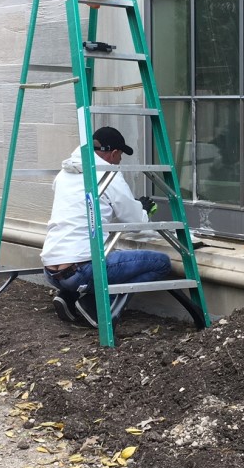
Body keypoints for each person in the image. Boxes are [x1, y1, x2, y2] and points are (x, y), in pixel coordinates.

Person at [41, 126, 171, 327]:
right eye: (120, 157)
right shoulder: (108, 176)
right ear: (113, 153)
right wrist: (143, 209)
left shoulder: (64, 173)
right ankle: (96, 306)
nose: (119, 162)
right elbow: (135, 223)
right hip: (81, 271)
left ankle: (68, 297)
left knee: (98, 251)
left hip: (51, 270)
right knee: (161, 263)